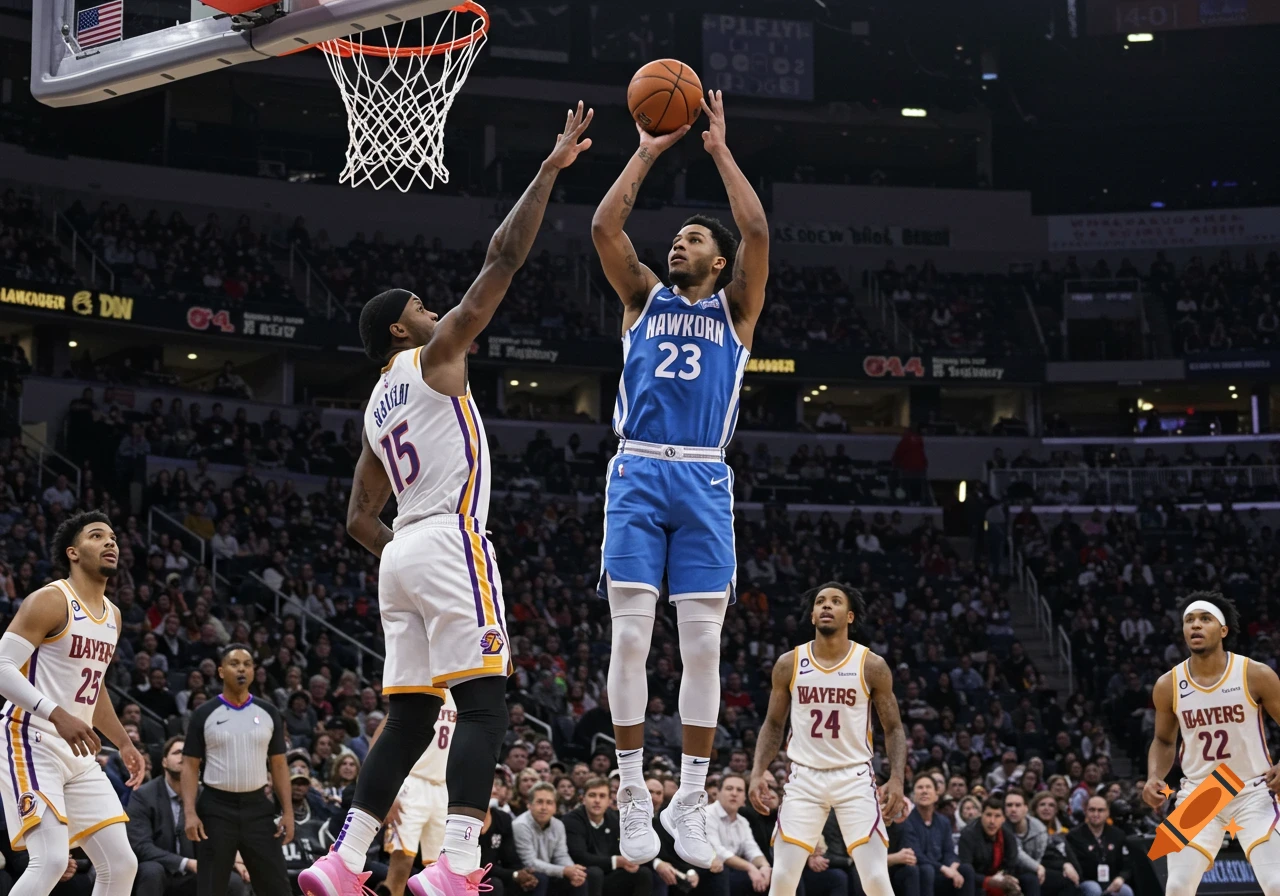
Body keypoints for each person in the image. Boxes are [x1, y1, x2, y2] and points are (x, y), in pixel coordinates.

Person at [298, 103, 595, 896]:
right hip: (449, 539)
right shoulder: (432, 357)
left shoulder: (372, 406)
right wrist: (547, 170)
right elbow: (502, 260)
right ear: (401, 331)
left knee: (410, 717)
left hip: (400, 556)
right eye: (420, 308)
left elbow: (358, 516)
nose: (433, 311)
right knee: (487, 707)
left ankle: (341, 859)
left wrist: (399, 549)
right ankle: (458, 864)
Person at [590, 89, 769, 867]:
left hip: (704, 479)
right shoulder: (640, 297)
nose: (677, 244)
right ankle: (634, 791)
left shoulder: (736, 310)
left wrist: (720, 151)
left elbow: (758, 227)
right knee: (629, 638)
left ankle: (690, 798)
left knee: (703, 649)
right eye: (676, 237)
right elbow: (604, 226)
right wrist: (649, 148)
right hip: (636, 470)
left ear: (718, 261)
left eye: (693, 238)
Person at [0, 511, 143, 895]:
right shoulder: (50, 599)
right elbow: (2, 668)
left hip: (77, 750)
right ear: (73, 552)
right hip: (29, 738)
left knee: (121, 863)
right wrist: (56, 714)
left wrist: (123, 742)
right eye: (97, 536)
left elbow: (92, 689)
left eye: (113, 537)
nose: (111, 542)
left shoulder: (112, 615)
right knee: (50, 860)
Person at [748, 583, 907, 896]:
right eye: (820, 602)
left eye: (835, 602)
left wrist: (898, 778)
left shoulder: (871, 665)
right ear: (811, 616)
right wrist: (756, 772)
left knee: (875, 877)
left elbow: (894, 728)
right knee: (781, 878)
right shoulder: (789, 663)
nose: (826, 606)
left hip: (855, 776)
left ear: (849, 616)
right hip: (804, 777)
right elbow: (773, 723)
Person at [1142, 591, 1280, 896]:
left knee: (1276, 885)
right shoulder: (1168, 684)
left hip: (1254, 790)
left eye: (1205, 619)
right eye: (1189, 620)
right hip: (1201, 794)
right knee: (1177, 888)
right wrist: (1155, 777)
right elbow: (1164, 741)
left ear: (1223, 630)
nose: (1195, 625)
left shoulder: (1255, 674)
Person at [181, 644, 293, 896]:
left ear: (253, 671)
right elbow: (189, 765)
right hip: (216, 808)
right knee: (211, 887)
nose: (241, 668)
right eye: (234, 664)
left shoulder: (269, 712)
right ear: (221, 671)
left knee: (277, 887)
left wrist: (287, 812)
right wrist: (189, 812)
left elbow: (278, 764)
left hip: (258, 808)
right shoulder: (204, 714)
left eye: (247, 664)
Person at [128, 736, 249, 896]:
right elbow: (141, 846)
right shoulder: (143, 795)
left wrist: (235, 859)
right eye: (177, 752)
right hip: (160, 871)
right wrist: (186, 863)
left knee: (234, 881)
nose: (183, 757)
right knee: (151, 871)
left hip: (195, 874)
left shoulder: (207, 797)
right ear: (164, 762)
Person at [383, 693, 456, 896]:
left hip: (445, 789)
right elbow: (384, 736)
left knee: (440, 874)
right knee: (401, 865)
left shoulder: (465, 694)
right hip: (412, 782)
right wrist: (388, 790)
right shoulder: (423, 687)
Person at [563, 777, 652, 896]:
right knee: (595, 873)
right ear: (583, 799)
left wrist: (629, 861)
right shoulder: (572, 820)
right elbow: (579, 856)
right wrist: (616, 861)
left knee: (643, 873)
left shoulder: (614, 819)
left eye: (602, 796)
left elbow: (625, 848)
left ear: (610, 801)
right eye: (592, 795)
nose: (597, 800)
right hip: (583, 876)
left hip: (608, 874)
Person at [900, 776, 973, 896]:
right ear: (913, 796)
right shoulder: (907, 821)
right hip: (920, 873)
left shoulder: (943, 821)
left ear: (936, 795)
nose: (924, 791)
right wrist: (944, 868)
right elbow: (916, 855)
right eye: (920, 787)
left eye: (928, 787)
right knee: (926, 870)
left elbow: (948, 851)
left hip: (941, 873)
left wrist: (953, 867)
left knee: (966, 870)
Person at [513, 782, 589, 896]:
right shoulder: (520, 825)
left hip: (549, 872)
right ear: (529, 804)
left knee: (581, 878)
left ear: (555, 807)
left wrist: (573, 871)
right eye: (539, 802)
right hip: (525, 874)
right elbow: (530, 862)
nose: (544, 807)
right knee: (541, 879)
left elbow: (561, 855)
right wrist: (564, 871)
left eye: (549, 803)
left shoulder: (558, 825)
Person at [704, 774, 771, 896]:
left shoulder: (743, 821)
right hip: (711, 871)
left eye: (739, 790)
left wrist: (764, 866)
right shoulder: (707, 815)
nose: (734, 793)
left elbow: (752, 849)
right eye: (729, 788)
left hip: (736, 871)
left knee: (777, 875)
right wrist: (750, 868)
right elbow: (718, 851)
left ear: (744, 798)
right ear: (718, 793)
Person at [957, 799, 1039, 896]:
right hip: (978, 881)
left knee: (1031, 879)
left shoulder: (1008, 834)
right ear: (981, 815)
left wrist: (1006, 877)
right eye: (988, 815)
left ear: (1003, 818)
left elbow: (1011, 864)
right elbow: (966, 871)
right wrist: (989, 881)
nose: (992, 821)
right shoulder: (968, 835)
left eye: (997, 816)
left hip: (1001, 877)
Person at [1063, 799, 1129, 896]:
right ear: (1085, 811)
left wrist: (1121, 878)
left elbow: (1127, 864)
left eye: (1100, 810)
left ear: (1107, 813)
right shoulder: (1073, 835)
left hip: (1111, 881)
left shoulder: (1118, 835)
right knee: (1094, 889)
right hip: (1085, 882)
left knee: (1126, 891)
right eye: (1092, 810)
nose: (1096, 814)